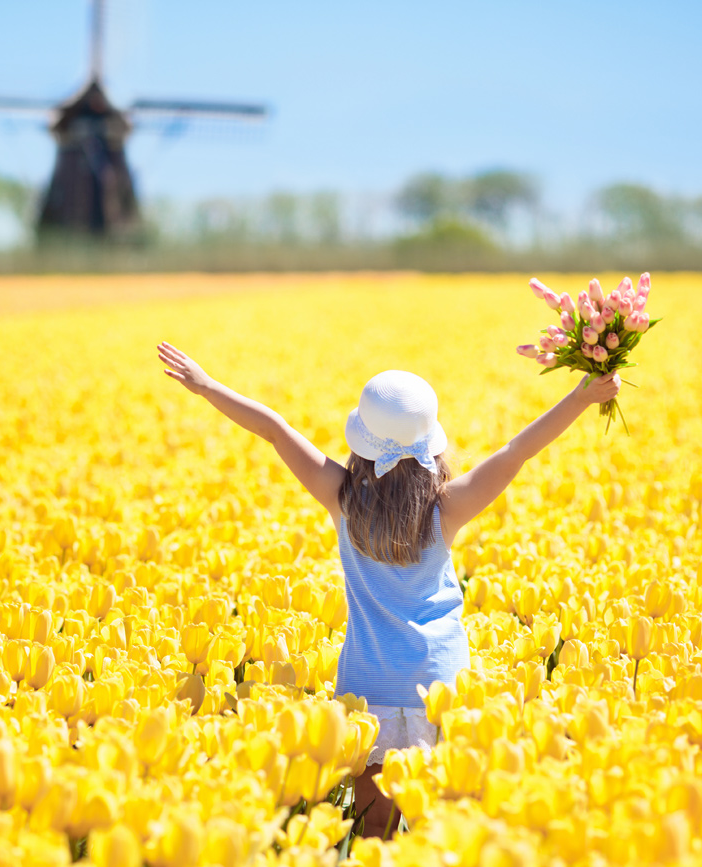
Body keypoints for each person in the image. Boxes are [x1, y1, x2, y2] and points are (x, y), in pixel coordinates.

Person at [155, 341, 620, 838]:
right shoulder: (448, 507)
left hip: (368, 682)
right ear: (431, 446)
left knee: (373, 825)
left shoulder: (341, 498)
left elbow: (274, 429)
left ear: (361, 444)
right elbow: (516, 452)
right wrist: (580, 397)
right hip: (439, 684)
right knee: (433, 824)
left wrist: (206, 387)